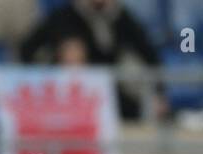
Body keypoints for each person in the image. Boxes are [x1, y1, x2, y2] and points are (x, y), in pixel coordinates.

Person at [19, 0, 166, 120]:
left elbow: (151, 57)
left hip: (106, 97)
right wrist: (54, 66)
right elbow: (27, 50)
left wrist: (158, 94)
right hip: (63, 99)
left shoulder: (121, 18)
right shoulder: (62, 17)